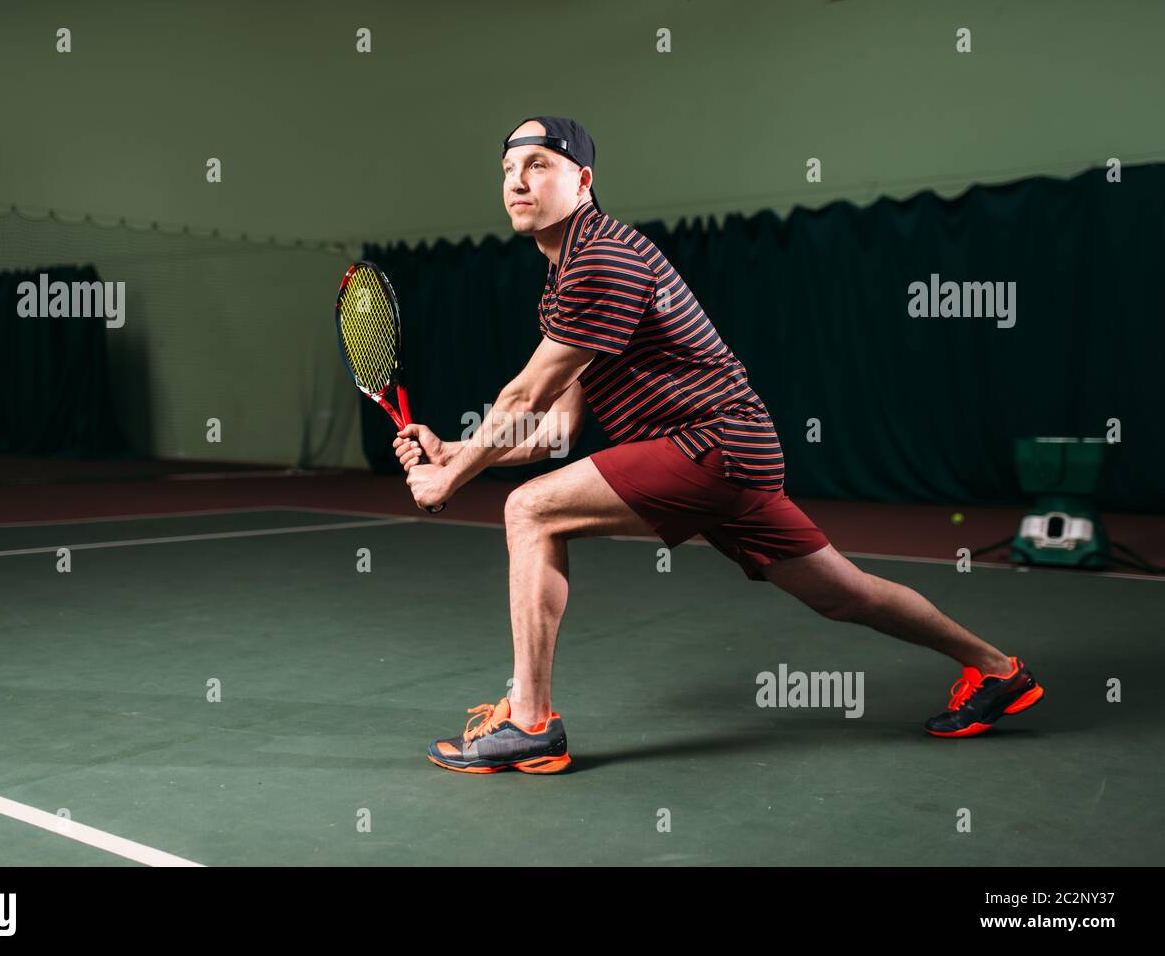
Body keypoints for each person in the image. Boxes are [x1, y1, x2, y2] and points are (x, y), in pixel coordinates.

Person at [394, 115, 1043, 774]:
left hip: (709, 445)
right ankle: (999, 670)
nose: (517, 181)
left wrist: (455, 477)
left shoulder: (602, 258)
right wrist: (455, 448)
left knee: (528, 510)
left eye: (538, 165)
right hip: (732, 452)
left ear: (583, 180)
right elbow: (555, 430)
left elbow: (525, 396)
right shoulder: (567, 276)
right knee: (846, 593)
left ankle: (530, 722)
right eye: (508, 169)